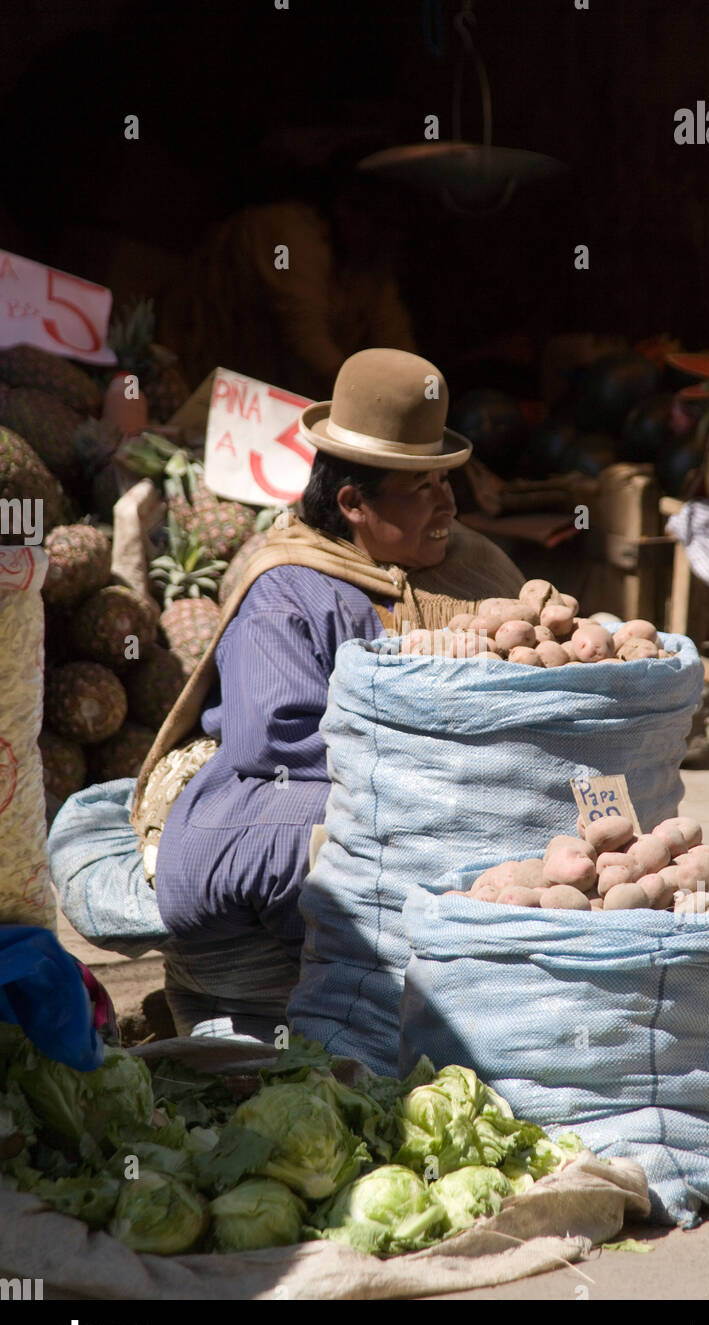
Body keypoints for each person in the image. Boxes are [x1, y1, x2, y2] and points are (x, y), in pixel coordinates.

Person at [48, 349, 524, 1043]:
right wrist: (430, 786)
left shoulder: (473, 566)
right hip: (275, 797)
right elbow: (277, 741)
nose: (448, 503)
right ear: (353, 503)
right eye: (421, 487)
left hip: (421, 792)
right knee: (348, 834)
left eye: (448, 481)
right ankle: (348, 1029)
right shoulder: (288, 590)